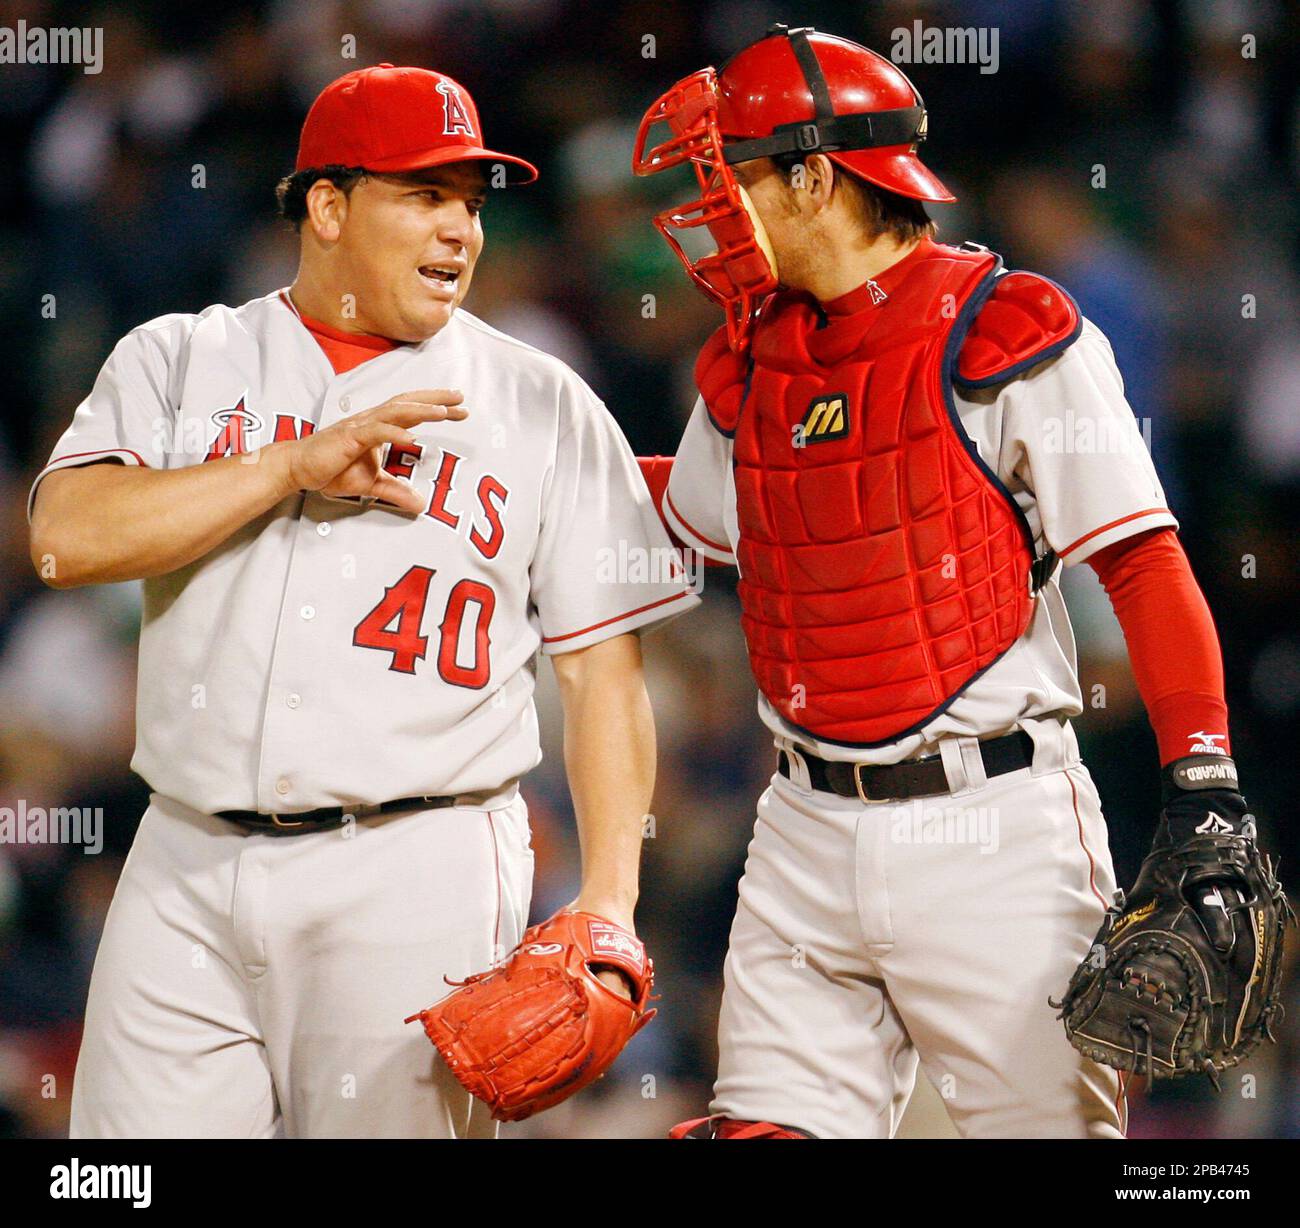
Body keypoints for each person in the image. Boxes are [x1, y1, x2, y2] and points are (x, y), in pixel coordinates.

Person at [29, 62, 697, 1139]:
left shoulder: (542, 401)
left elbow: (601, 676)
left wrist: (609, 901)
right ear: (328, 206)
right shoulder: (182, 358)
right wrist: (285, 466)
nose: (459, 232)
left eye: (472, 204)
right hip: (183, 859)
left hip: (414, 867)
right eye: (424, 195)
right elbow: (66, 538)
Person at [632, 25, 1263, 1139]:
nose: (707, 208)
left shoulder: (1007, 328)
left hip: (992, 827)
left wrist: (1202, 784)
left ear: (817, 173)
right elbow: (687, 522)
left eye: (732, 174)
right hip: (799, 826)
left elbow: (1139, 559)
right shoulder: (752, 355)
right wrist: (523, 452)